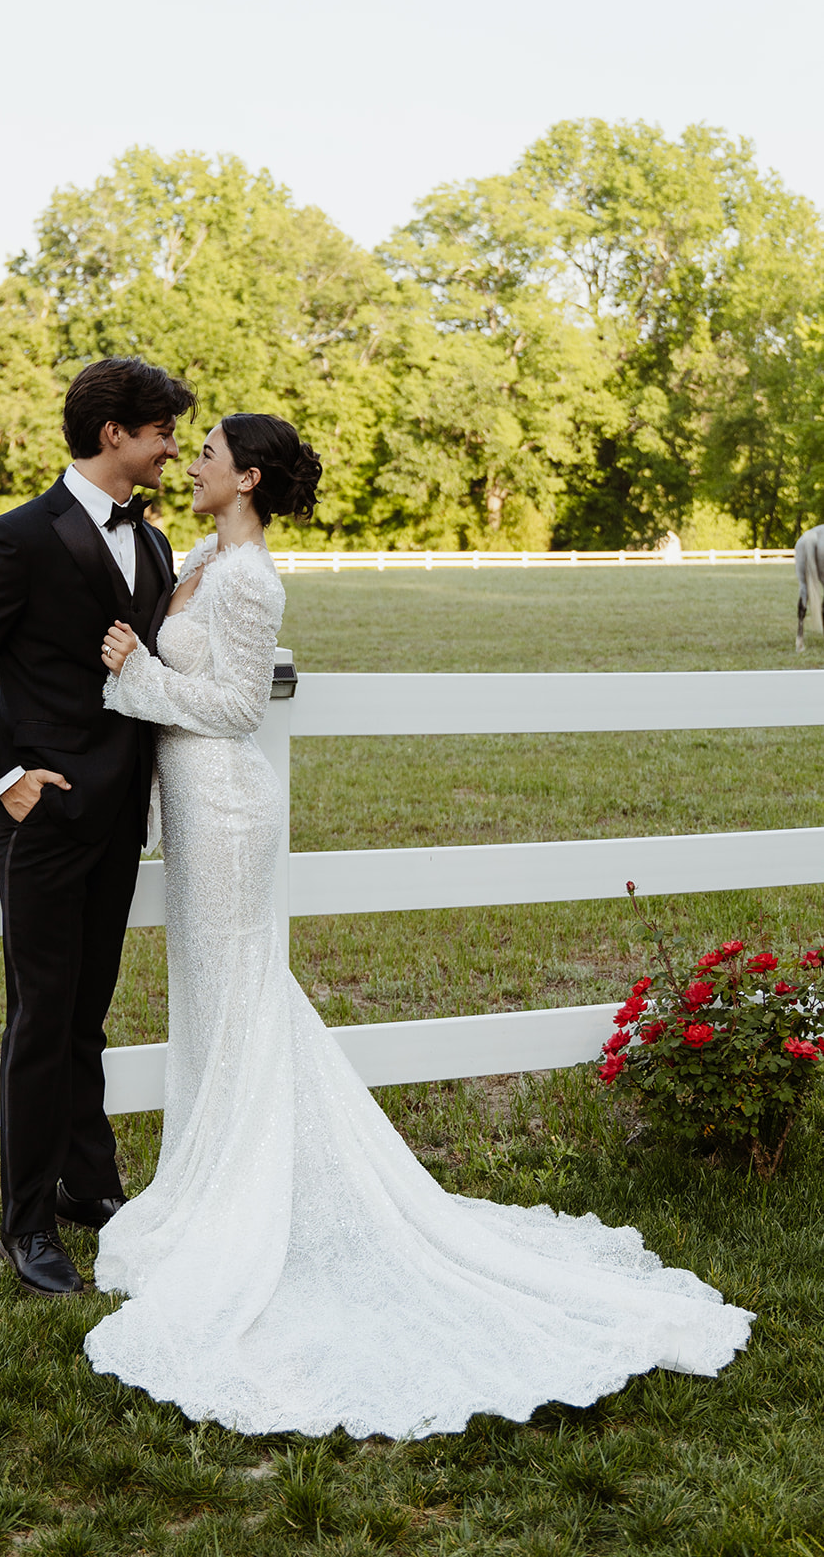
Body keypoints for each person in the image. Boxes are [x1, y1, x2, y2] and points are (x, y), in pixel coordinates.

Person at [84, 412, 754, 1437]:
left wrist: (134, 677)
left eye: (209, 453)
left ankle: (244, 1205)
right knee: (214, 1001)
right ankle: (208, 1182)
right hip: (191, 811)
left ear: (247, 476)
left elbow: (233, 710)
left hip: (223, 809)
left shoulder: (254, 577)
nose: (193, 464)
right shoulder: (208, 560)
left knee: (238, 996)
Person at [0, 357, 195, 1297]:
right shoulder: (18, 537)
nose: (170, 450)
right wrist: (3, 780)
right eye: (160, 433)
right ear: (115, 432)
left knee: (87, 1016)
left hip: (121, 816)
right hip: (43, 817)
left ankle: (90, 1186)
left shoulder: (153, 545)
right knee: (40, 1020)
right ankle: (28, 1222)